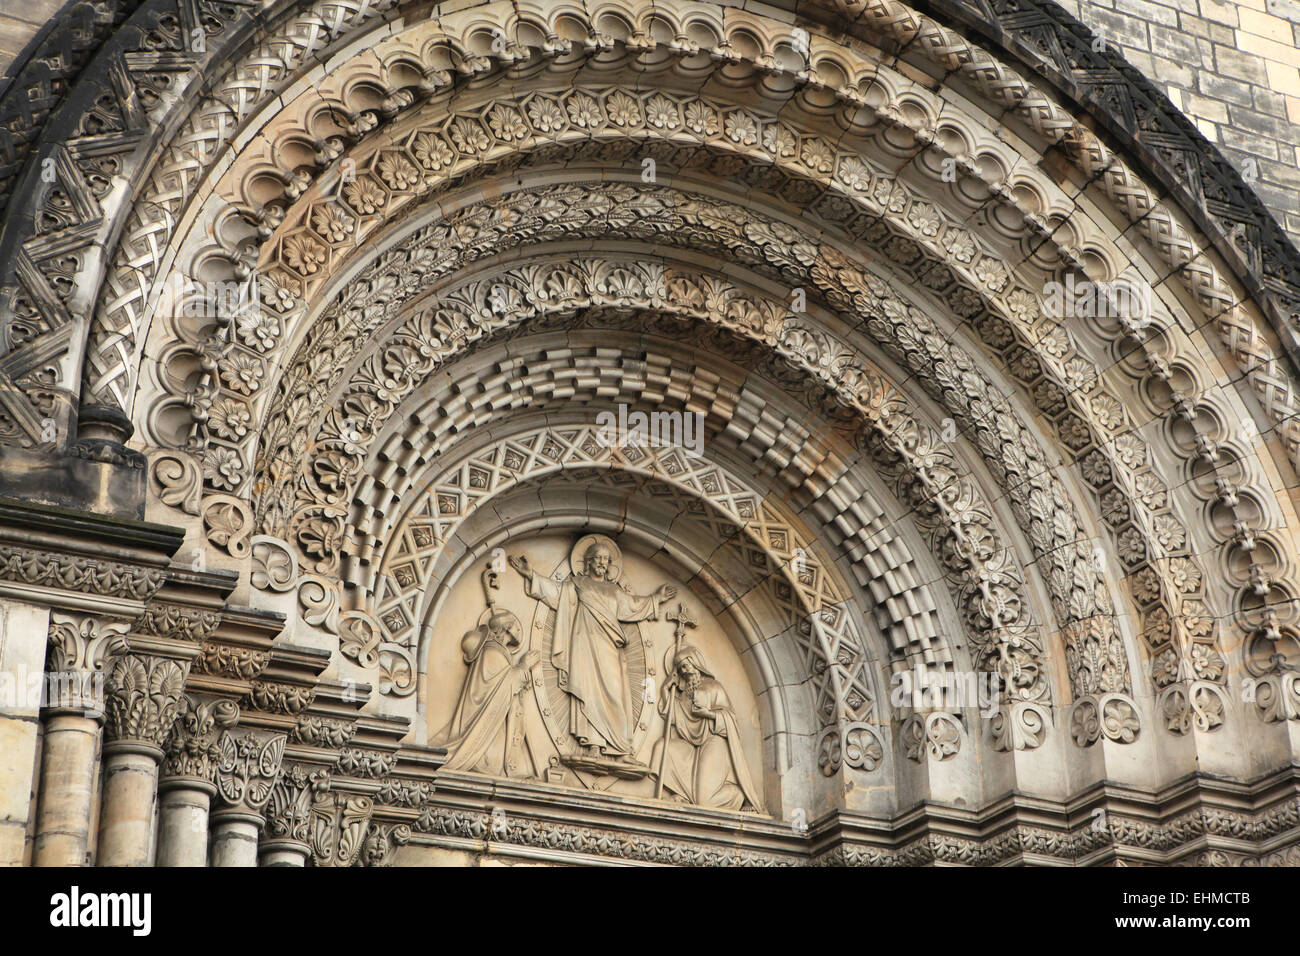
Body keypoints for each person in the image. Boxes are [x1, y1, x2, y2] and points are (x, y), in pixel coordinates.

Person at [510, 543, 674, 758]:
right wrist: (531, 575)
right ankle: (594, 745)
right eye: (597, 558)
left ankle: (621, 747)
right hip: (584, 646)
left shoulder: (615, 591)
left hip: (610, 648)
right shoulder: (577, 584)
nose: (602, 563)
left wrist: (656, 599)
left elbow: (633, 605)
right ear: (588, 561)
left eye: (606, 559)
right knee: (587, 691)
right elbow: (556, 593)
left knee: (615, 692)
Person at [651, 645, 762, 811]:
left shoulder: (714, 687)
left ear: (696, 664)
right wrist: (665, 690)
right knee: (662, 747)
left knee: (705, 803)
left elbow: (730, 721)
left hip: (714, 742)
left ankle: (737, 794)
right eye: (680, 667)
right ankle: (686, 794)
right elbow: (674, 717)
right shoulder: (683, 694)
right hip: (692, 745)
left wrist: (708, 714)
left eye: (686, 664)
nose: (684, 670)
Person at [437, 608, 540, 777]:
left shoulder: (499, 653)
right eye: (515, 625)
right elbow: (502, 688)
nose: (519, 629)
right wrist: (524, 666)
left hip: (495, 720)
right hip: (485, 728)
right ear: (506, 628)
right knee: (489, 764)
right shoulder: (492, 652)